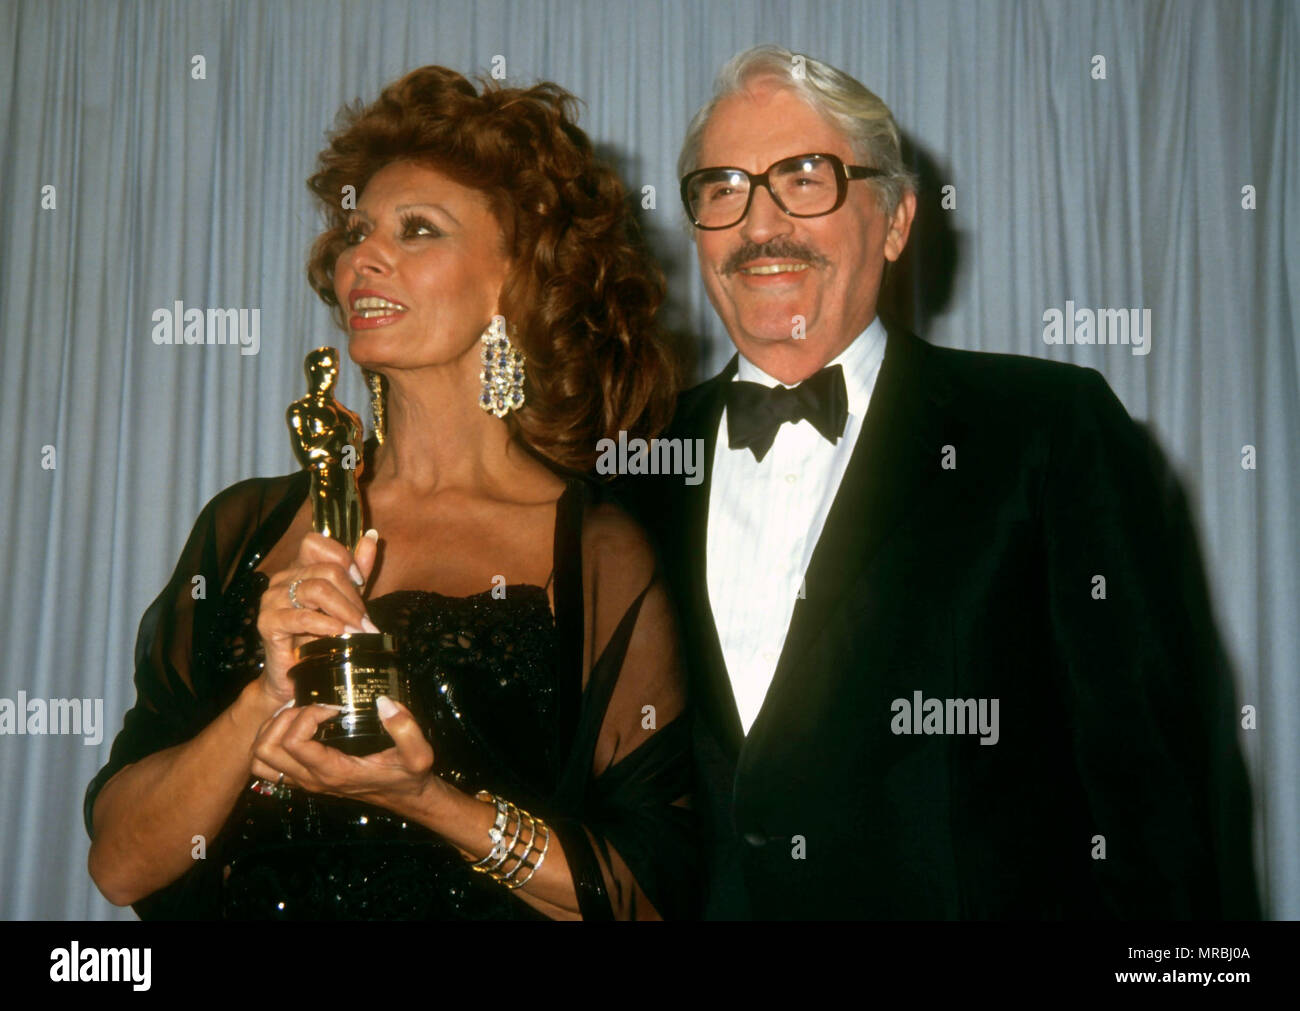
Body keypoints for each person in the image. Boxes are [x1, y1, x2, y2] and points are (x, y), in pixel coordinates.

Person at [621, 44, 1260, 919]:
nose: (760, 223)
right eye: (723, 186)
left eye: (806, 177)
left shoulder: (1049, 428)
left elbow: (1155, 792)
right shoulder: (634, 464)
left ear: (895, 220)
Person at [84, 65, 696, 921]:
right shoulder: (246, 525)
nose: (362, 255)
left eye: (417, 230)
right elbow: (118, 862)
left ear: (516, 280)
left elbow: (648, 893)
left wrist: (427, 799)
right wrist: (265, 699)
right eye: (356, 230)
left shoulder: (598, 550)